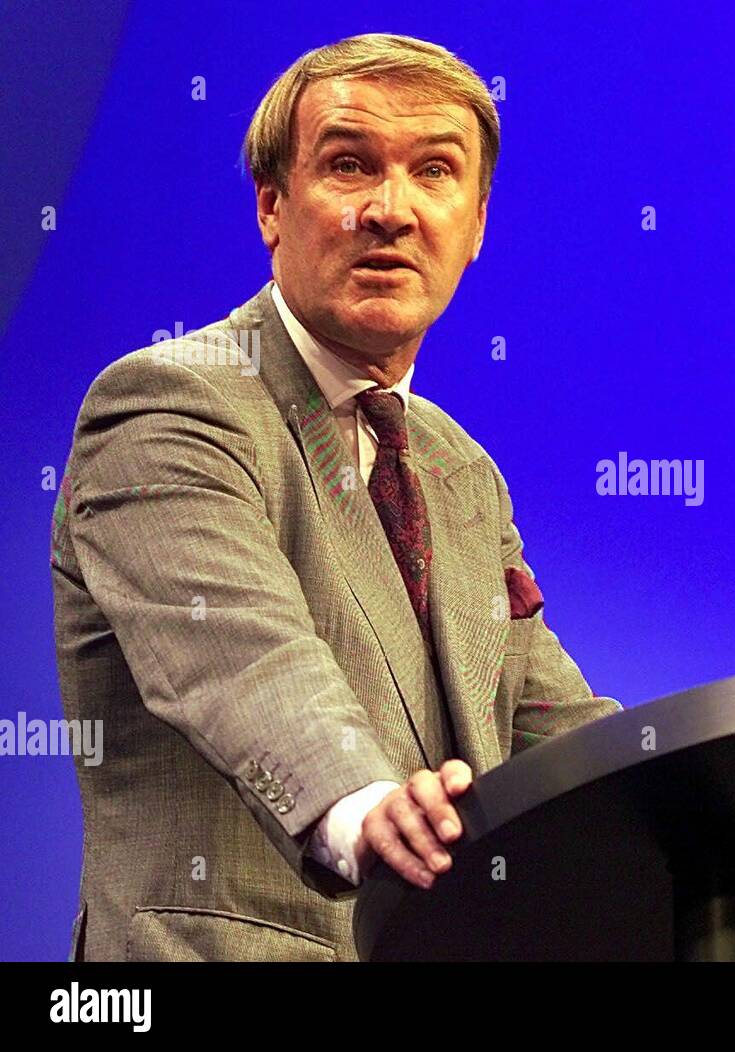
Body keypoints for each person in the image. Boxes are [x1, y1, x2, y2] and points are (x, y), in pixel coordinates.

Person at [50, 32, 621, 962]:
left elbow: (548, 723)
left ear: (475, 226)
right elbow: (242, 659)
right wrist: (360, 810)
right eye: (350, 166)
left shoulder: (456, 466)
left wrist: (711, 808)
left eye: (435, 172)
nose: (390, 211)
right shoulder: (171, 403)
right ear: (273, 208)